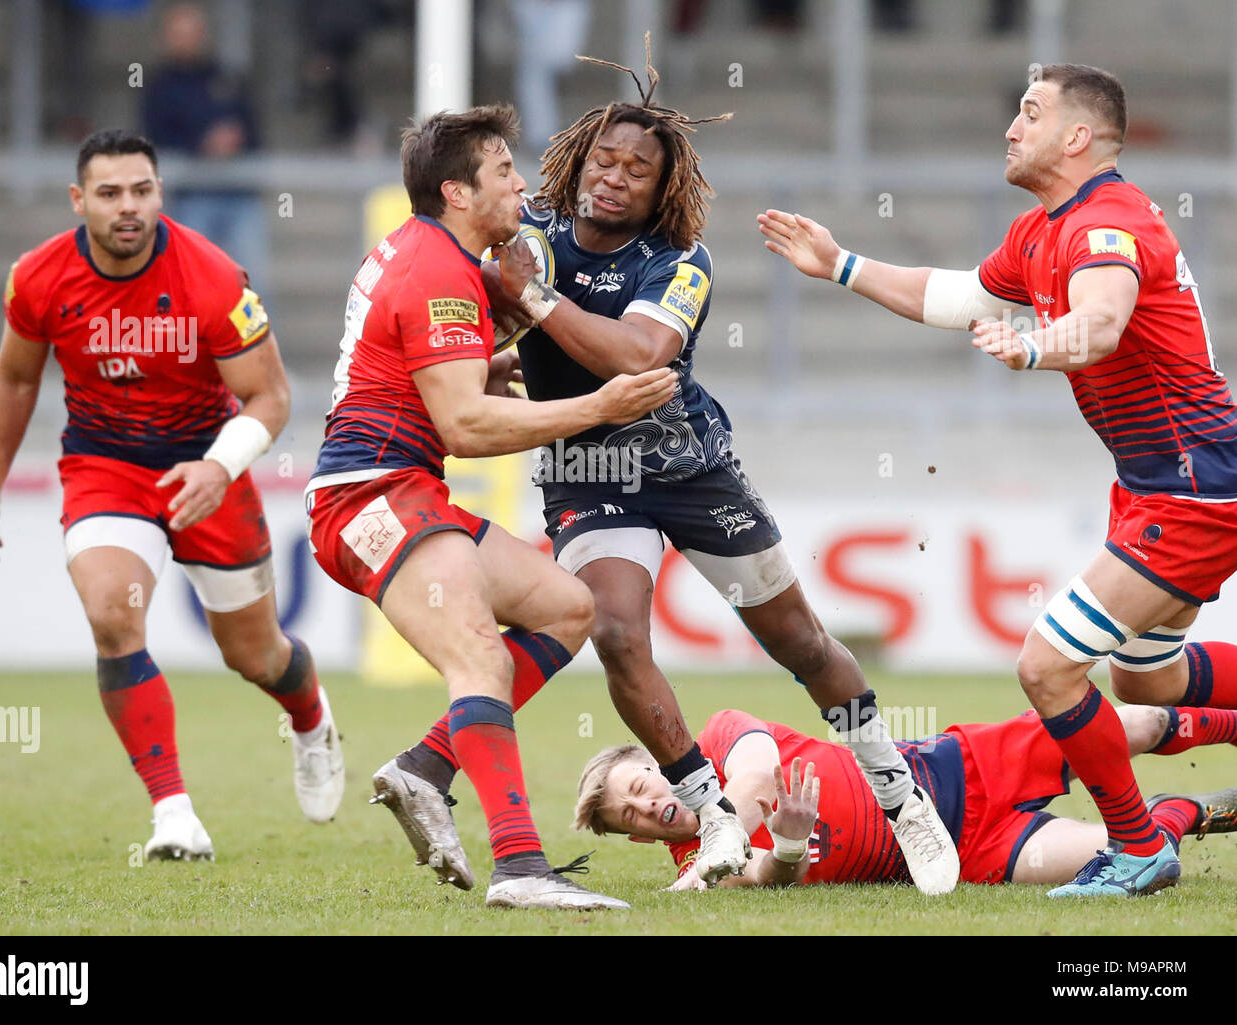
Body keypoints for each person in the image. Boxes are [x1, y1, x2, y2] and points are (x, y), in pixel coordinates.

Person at [389, 45, 961, 895]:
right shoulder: (530, 234)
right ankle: (713, 811)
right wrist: (498, 358)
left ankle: (896, 791)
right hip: (588, 470)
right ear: (579, 161)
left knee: (799, 641)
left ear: (664, 191)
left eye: (637, 171)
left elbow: (640, 357)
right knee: (614, 629)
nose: (614, 178)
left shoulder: (678, 261)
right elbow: (467, 317)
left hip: (689, 467)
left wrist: (537, 302)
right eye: (604, 160)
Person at [758, 63, 1237, 896]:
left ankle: (1138, 847)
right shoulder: (1039, 230)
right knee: (1147, 680)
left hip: (1194, 484)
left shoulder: (1108, 223)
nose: (1012, 128)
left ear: (1077, 137)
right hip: (1156, 484)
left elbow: (1099, 321)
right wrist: (840, 264)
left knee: (1047, 668)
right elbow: (954, 297)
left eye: (1030, 113)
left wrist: (1034, 344)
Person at [304, 104, 678, 910]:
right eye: (504, 170)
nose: (522, 181)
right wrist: (599, 405)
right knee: (478, 657)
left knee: (567, 608)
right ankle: (520, 868)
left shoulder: (435, 254)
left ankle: (425, 766)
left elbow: (434, 383)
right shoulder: (438, 268)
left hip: (403, 488)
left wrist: (496, 362)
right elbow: (464, 426)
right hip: (369, 494)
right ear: (457, 191)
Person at [0, 129, 344, 861]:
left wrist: (219, 467)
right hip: (104, 466)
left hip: (207, 464)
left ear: (159, 193)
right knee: (113, 616)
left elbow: (269, 398)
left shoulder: (212, 276)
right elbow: (13, 380)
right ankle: (173, 812)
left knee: (257, 655)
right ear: (80, 201)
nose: (127, 207)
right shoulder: (38, 277)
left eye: (141, 190)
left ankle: (310, 718)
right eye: (109, 193)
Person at [576, 701, 1237, 890]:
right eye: (629, 815)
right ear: (638, 837)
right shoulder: (701, 870)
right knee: (1134, 854)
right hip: (974, 851)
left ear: (660, 761)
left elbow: (756, 771)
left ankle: (1229, 718)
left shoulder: (720, 736)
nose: (645, 806)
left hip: (963, 768)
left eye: (639, 787)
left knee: (1138, 725)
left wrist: (726, 836)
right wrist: (787, 844)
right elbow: (762, 876)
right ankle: (1199, 809)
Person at [142, 3, 268, 295]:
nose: (187, 39)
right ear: (167, 37)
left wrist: (236, 139)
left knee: (253, 282)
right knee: (191, 282)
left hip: (239, 192)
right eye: (179, 33)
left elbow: (254, 129)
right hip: (192, 194)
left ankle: (258, 341)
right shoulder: (159, 87)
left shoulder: (227, 77)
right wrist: (201, 145)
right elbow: (154, 138)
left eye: (192, 31)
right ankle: (194, 340)